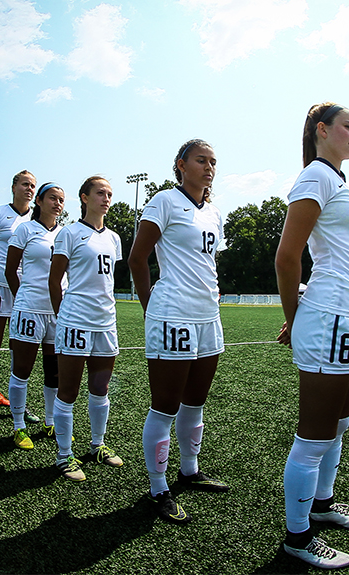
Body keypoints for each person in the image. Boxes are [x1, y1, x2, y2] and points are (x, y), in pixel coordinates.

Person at [274, 102, 349, 570]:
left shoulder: (339, 181)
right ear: (322, 130)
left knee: (340, 423)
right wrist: (295, 320)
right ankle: (298, 536)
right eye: (348, 126)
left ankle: (322, 504)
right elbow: (287, 257)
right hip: (329, 313)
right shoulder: (315, 176)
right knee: (314, 436)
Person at [128, 139, 229, 525]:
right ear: (181, 165)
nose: (209, 168)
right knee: (165, 406)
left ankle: (189, 470)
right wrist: (149, 307)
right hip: (172, 315)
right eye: (201, 160)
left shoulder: (214, 212)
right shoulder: (164, 201)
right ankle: (158, 487)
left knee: (196, 402)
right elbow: (137, 258)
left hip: (208, 317)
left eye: (213, 162)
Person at [49, 176, 124, 482]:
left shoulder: (114, 238)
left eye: (109, 194)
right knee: (68, 391)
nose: (106, 199)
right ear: (84, 197)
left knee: (100, 388)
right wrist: (64, 316)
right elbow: (54, 281)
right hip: (75, 321)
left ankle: (97, 445)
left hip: (106, 322)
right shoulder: (69, 233)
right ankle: (64, 455)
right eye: (100, 193)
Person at [4, 182, 65, 449]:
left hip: (57, 312)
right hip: (29, 308)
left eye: (61, 199)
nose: (57, 203)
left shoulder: (66, 233)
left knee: (54, 372)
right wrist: (23, 299)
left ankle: (50, 422)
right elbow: (10, 270)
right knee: (22, 370)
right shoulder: (25, 230)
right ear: (39, 201)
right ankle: (18, 426)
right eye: (52, 198)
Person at [0, 170, 37, 430]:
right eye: (24, 184)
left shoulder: (36, 217)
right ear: (13, 187)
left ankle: (18, 405)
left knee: (18, 349)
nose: (29, 189)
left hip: (25, 289)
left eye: (32, 185)